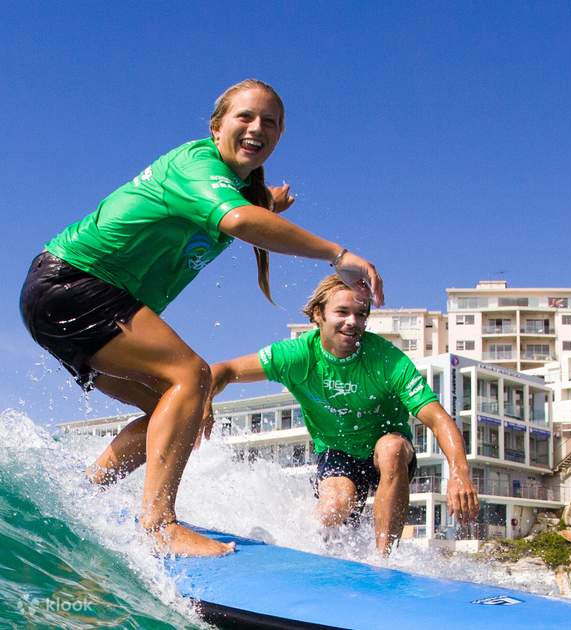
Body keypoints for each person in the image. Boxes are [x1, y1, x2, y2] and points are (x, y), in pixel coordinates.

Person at [19, 79, 384, 557]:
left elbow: (248, 209)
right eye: (245, 117)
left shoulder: (232, 187)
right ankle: (160, 525)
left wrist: (269, 201)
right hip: (74, 284)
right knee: (191, 377)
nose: (258, 128)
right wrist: (337, 254)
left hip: (62, 296)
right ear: (216, 128)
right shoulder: (196, 164)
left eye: (270, 123)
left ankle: (86, 494)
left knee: (171, 412)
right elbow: (237, 220)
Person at [208, 275, 479, 555]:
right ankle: (329, 558)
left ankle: (386, 560)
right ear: (318, 314)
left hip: (386, 453)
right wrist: (205, 400)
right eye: (342, 312)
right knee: (334, 508)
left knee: (391, 448)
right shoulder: (297, 356)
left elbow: (438, 418)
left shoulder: (386, 359)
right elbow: (223, 370)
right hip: (337, 451)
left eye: (361, 314)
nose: (352, 321)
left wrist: (459, 473)